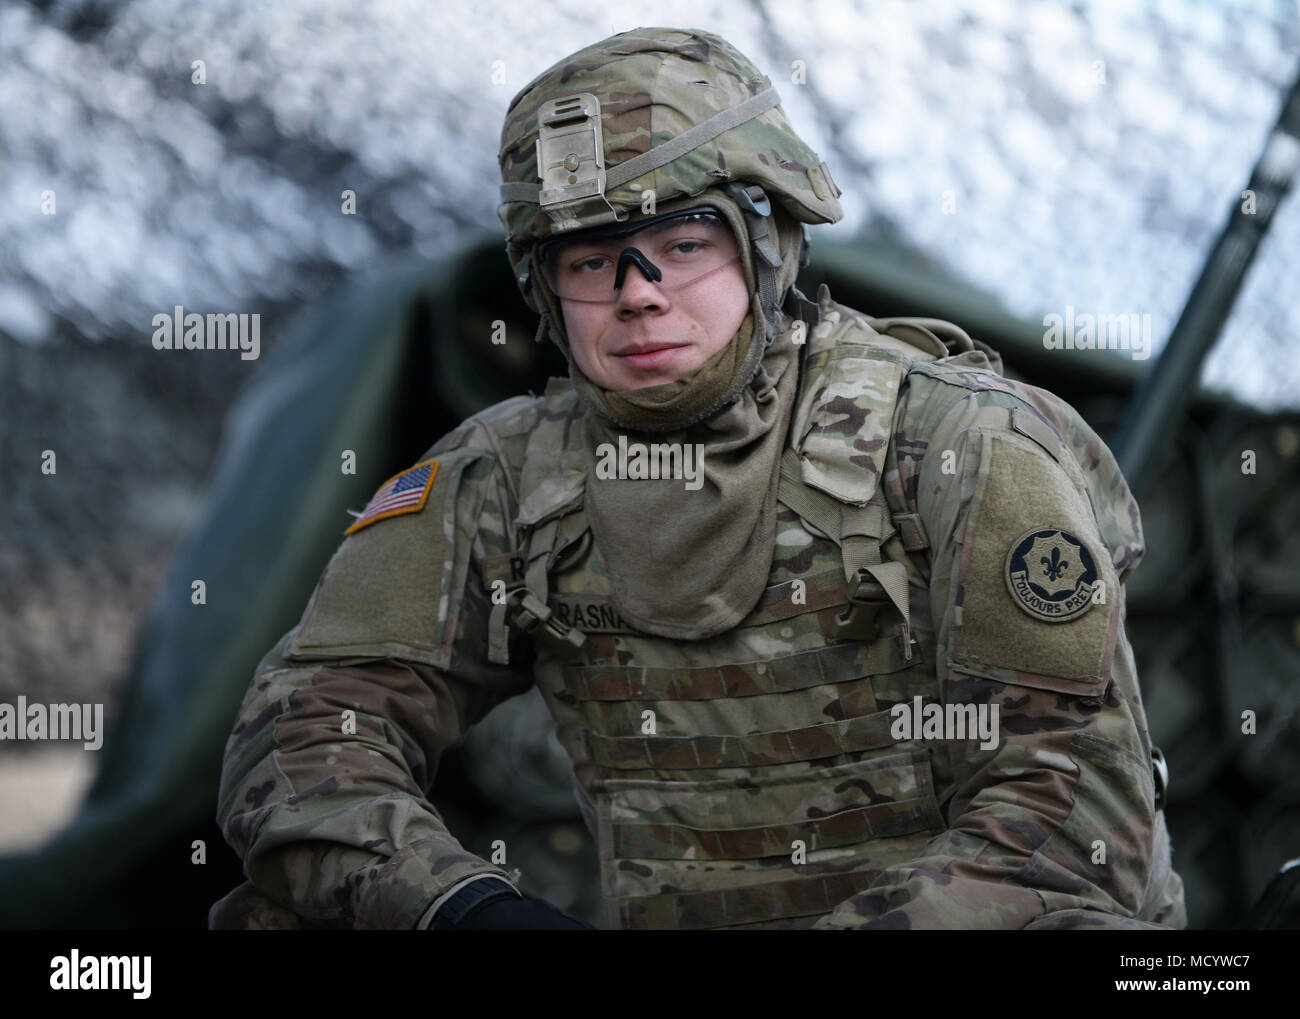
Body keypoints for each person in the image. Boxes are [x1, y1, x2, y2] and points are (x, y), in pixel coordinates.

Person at [211, 26, 1186, 931]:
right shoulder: (505, 477)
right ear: (545, 292)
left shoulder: (954, 441)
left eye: (682, 245)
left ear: (766, 248)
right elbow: (301, 736)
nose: (638, 293)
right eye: (592, 261)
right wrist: (462, 908)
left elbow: (1068, 825)